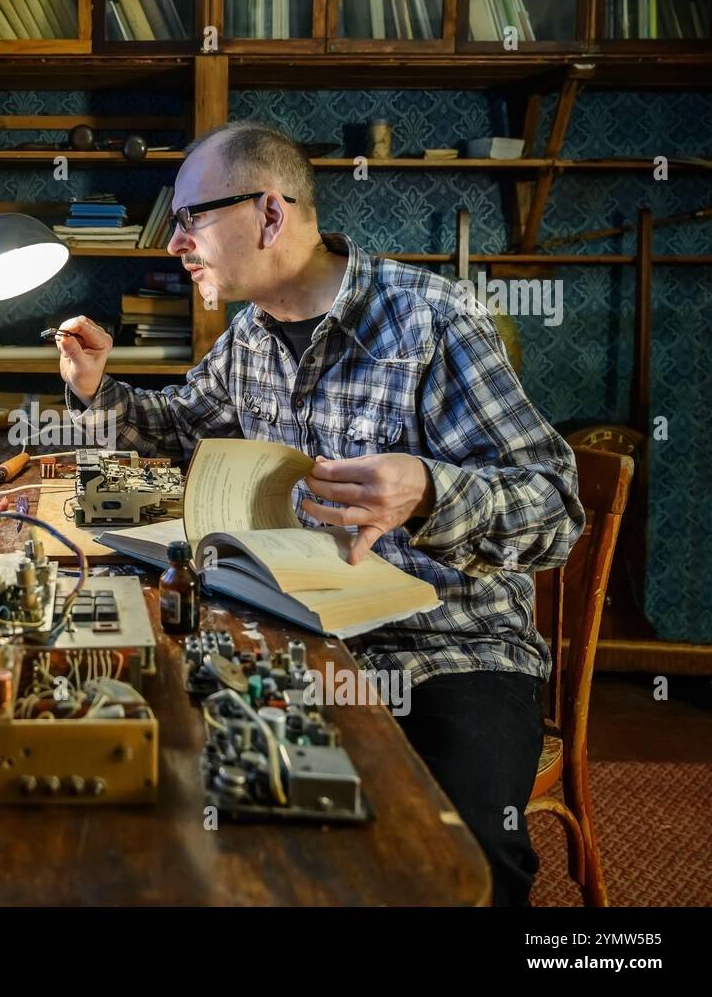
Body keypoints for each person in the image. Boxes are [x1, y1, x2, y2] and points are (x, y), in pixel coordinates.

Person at [53, 120, 584, 906]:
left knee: (466, 856)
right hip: (296, 623)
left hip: (451, 643)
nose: (177, 242)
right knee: (197, 803)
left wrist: (431, 490)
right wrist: (96, 386)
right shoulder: (249, 337)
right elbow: (172, 426)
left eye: (191, 217)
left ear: (270, 214)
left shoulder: (434, 317)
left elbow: (557, 507)